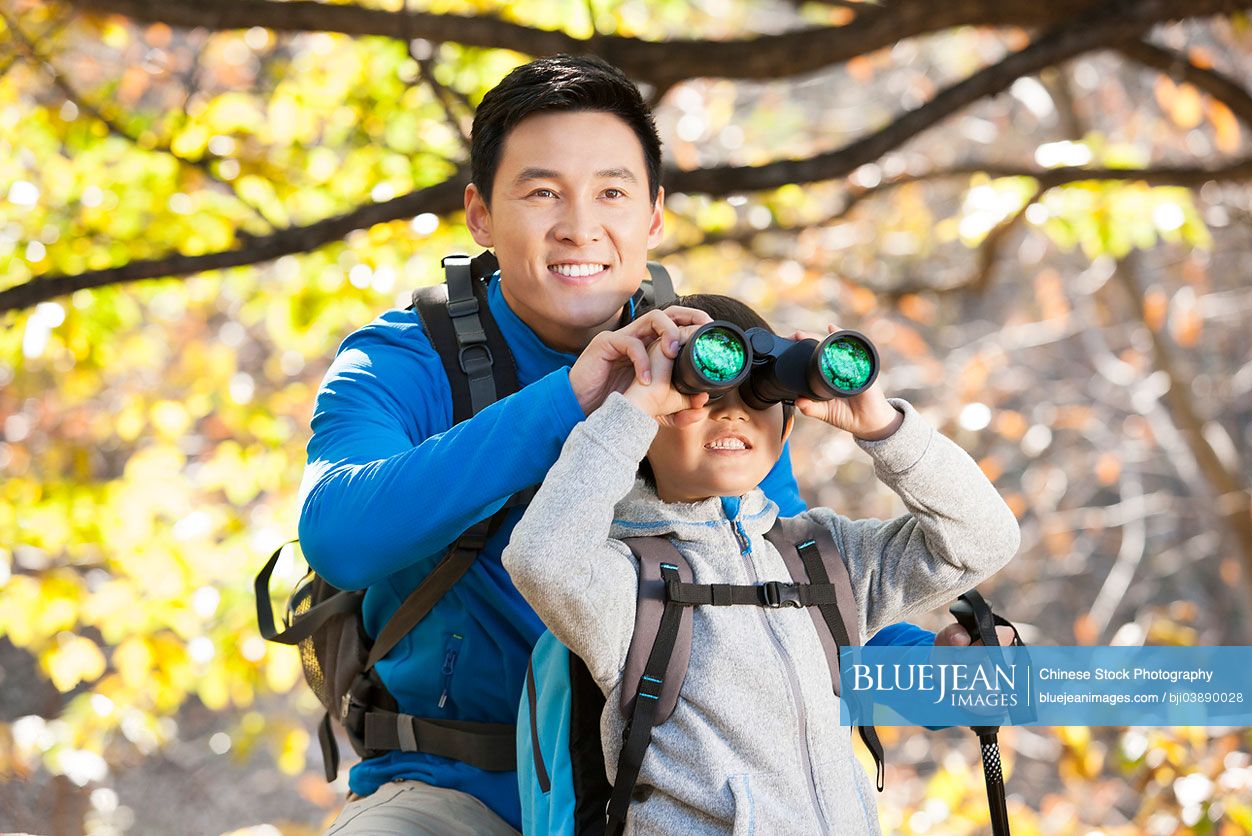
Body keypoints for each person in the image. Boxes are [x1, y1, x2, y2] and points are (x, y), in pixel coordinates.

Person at [299, 54, 975, 835]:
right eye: (542, 191)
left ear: (653, 216)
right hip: (459, 791)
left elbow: (776, 591)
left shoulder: (715, 364)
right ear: (479, 214)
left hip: (667, 793)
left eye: (611, 193)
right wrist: (576, 398)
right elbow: (338, 538)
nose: (580, 226)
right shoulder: (402, 361)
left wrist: (930, 676)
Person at [502, 293, 1021, 834]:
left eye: (759, 393)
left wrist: (882, 425)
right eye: (695, 393)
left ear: (787, 424)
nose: (732, 411)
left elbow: (983, 538)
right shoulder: (629, 581)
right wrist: (629, 411)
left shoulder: (823, 557)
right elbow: (541, 560)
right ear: (645, 429)